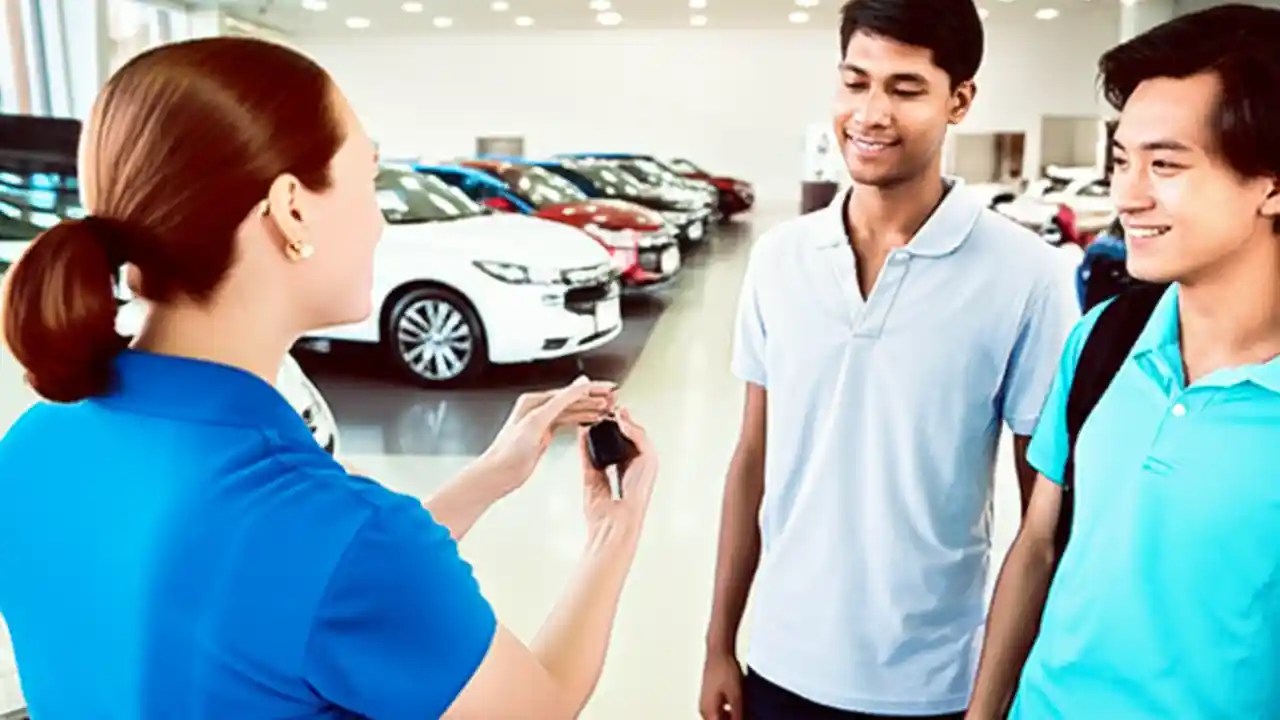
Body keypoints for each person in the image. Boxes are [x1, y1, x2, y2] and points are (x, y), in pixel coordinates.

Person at [0, 37, 659, 719]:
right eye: (368, 180)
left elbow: (295, 598)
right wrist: (616, 529)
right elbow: (539, 706)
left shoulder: (32, 445)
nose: (378, 222)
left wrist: (490, 476)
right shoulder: (334, 533)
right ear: (292, 210)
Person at [698, 0, 1079, 718]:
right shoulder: (780, 258)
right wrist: (720, 643)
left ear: (959, 99)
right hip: (778, 668)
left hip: (938, 687)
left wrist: (996, 700)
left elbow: (1043, 522)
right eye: (855, 82)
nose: (870, 112)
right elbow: (753, 458)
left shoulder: (1027, 275)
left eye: (905, 89)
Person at [967, 5, 1280, 719]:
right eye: (1121, 160)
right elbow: (1040, 547)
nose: (1126, 195)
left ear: (1271, 184)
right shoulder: (1106, 337)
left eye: (1165, 164)